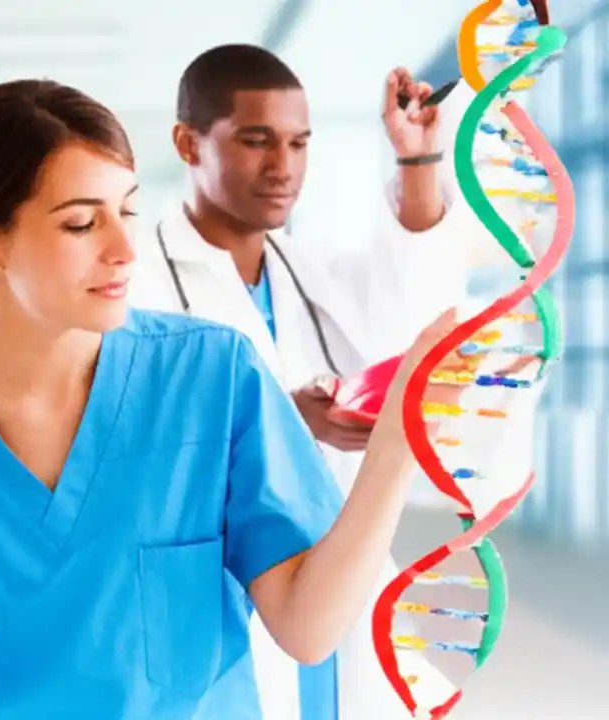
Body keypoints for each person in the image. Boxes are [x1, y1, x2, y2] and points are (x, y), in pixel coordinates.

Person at [0, 78, 461, 718]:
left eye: (127, 211)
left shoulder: (212, 376)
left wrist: (398, 443)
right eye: (81, 222)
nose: (125, 249)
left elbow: (308, 627)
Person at [128, 44, 475, 719]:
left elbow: (413, 316)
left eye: (298, 144)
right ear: (187, 143)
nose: (283, 168)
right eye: (255, 141)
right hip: (226, 601)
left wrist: (417, 157)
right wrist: (284, 419)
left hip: (340, 585)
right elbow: (131, 439)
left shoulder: (312, 273)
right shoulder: (136, 281)